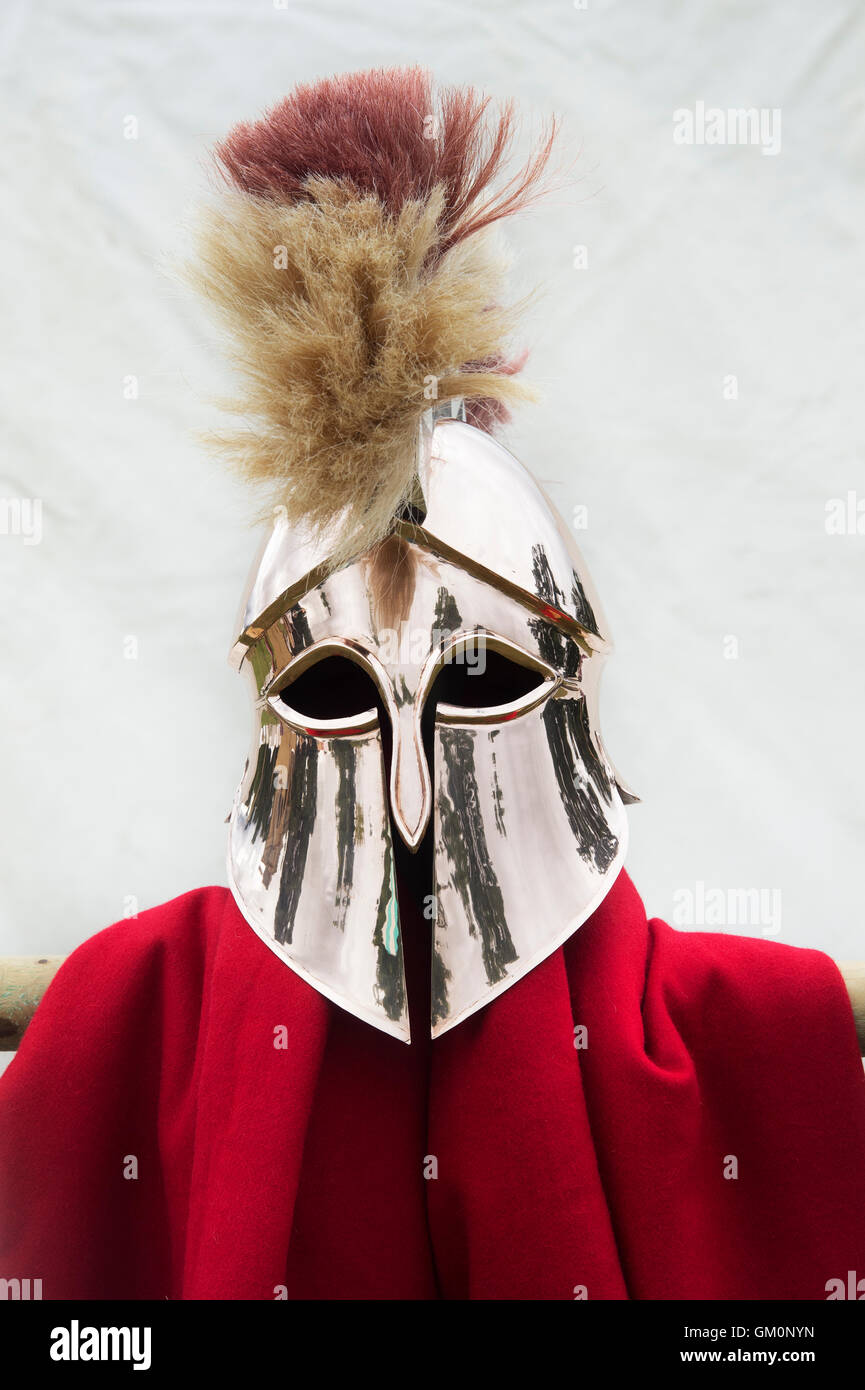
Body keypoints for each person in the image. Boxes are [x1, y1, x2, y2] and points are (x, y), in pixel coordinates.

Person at [1, 66, 863, 1302]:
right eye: (336, 692)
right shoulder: (139, 1006)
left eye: (479, 681)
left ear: (567, 688)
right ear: (267, 715)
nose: (408, 787)